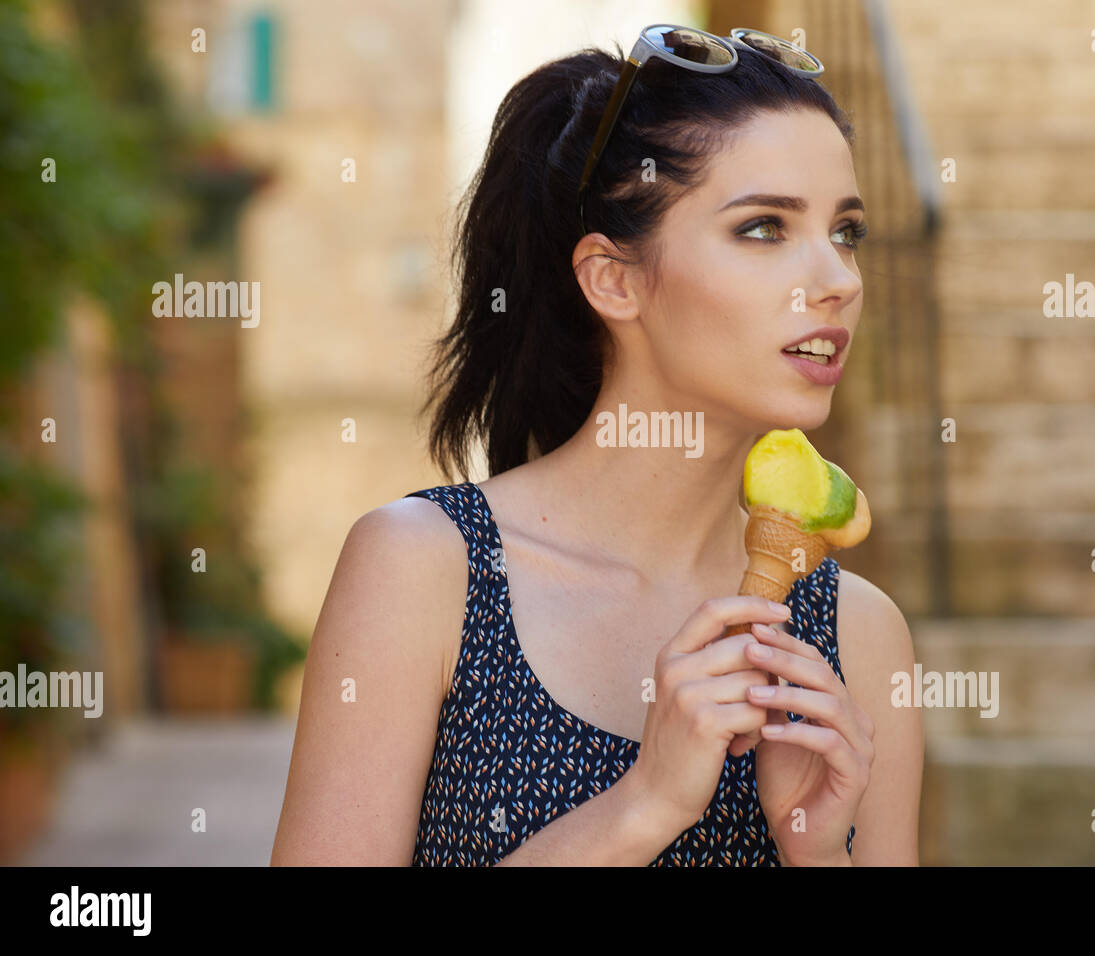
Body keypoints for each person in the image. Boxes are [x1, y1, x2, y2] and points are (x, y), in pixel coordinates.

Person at [272, 31, 922, 867]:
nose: (837, 278)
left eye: (847, 231)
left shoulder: (857, 636)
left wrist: (818, 849)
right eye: (764, 228)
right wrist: (643, 807)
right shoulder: (427, 571)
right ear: (614, 279)